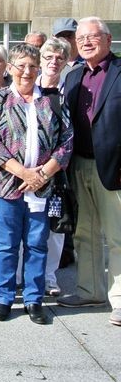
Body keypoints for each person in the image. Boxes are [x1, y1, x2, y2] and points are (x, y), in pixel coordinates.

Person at [0, 43, 73, 324]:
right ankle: (5, 297)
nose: (27, 71)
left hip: (42, 185)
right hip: (7, 185)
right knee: (7, 243)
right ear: (10, 68)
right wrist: (23, 172)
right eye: (21, 65)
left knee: (36, 243)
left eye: (32, 66)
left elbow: (66, 142)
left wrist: (42, 175)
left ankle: (34, 299)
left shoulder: (52, 100)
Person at [58, 17, 121, 327]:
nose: (85, 42)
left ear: (108, 40)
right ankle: (90, 290)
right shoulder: (73, 77)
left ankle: (119, 300)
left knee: (117, 236)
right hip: (78, 164)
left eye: (92, 37)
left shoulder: (120, 73)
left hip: (113, 168)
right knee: (85, 234)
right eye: (80, 38)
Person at [36, 37, 72, 295]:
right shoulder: (28, 89)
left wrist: (49, 168)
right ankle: (20, 275)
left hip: (56, 171)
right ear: (40, 59)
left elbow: (69, 136)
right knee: (28, 224)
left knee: (55, 226)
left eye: (59, 58)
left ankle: (49, 276)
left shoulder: (67, 92)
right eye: (49, 57)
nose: (54, 62)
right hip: (25, 172)